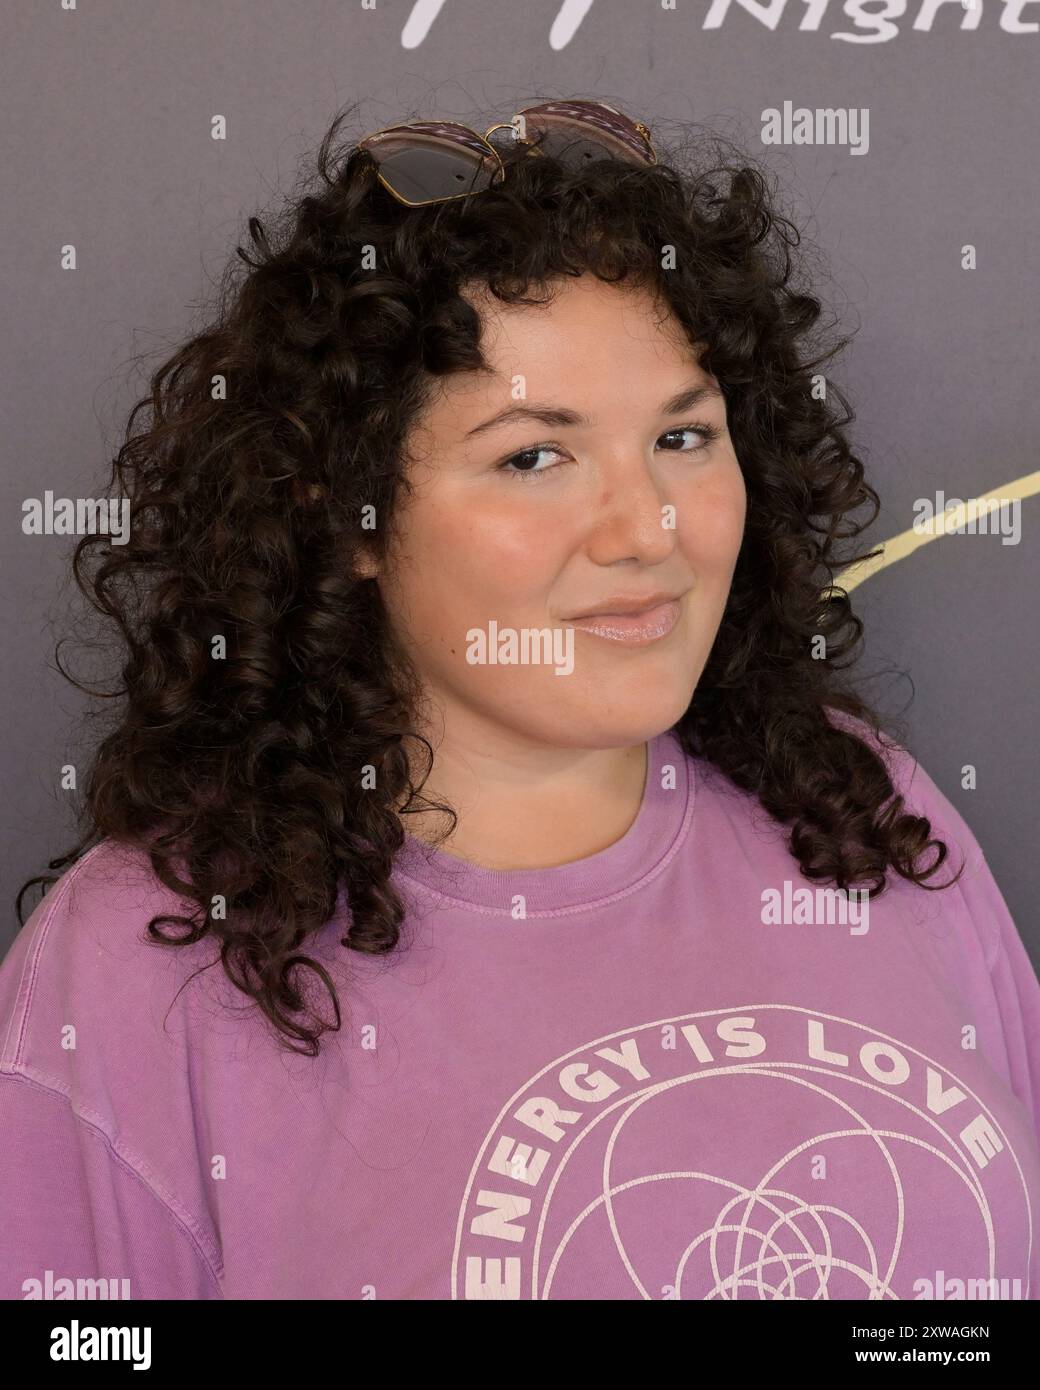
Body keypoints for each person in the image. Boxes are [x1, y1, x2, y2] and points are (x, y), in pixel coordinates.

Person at [2, 99, 1037, 1302]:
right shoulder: (139, 963)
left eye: (684, 438)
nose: (645, 530)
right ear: (348, 518)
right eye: (531, 455)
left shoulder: (861, 802)